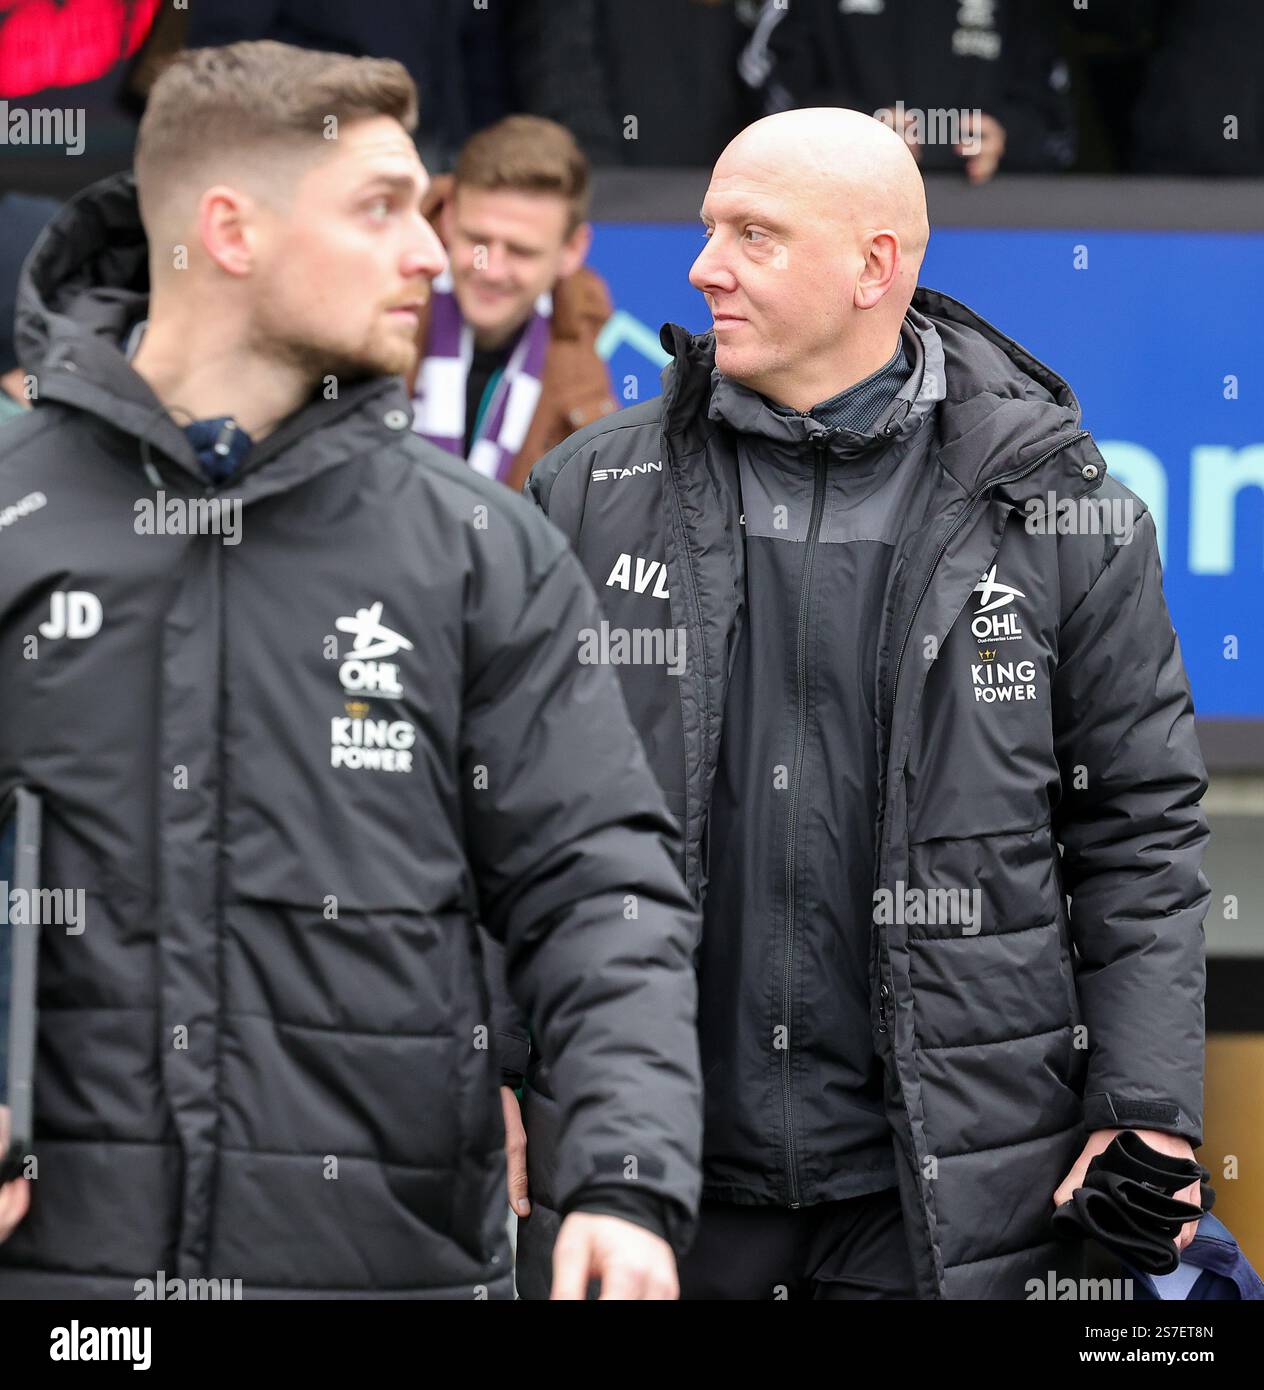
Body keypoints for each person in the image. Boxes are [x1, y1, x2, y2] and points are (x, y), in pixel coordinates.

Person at [0, 40, 703, 1300]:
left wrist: (622, 1177)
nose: (431, 254)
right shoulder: (15, 509)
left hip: (388, 1275)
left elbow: (596, 885)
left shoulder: (482, 547)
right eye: (382, 209)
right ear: (230, 230)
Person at [517, 107, 1211, 1299]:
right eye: (706, 228)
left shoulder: (1062, 509)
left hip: (940, 1203)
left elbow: (1136, 832)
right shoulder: (586, 492)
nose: (702, 267)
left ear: (873, 265)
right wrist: (496, 1073)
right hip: (651, 1189)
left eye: (753, 233)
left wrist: (1146, 1111)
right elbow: (506, 826)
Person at [406, 114, 616, 491]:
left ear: (572, 250)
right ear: (450, 218)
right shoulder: (374, 297)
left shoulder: (580, 344)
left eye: (521, 251)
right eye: (477, 240)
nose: (492, 270)